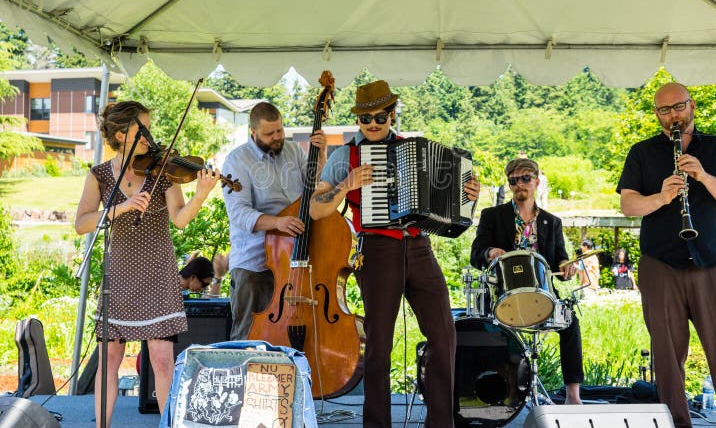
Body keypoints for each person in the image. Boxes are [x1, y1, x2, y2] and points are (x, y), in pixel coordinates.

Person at [309, 80, 480, 428]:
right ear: (358, 120)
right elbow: (315, 209)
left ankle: (440, 424)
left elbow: (449, 204)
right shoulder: (346, 156)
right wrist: (346, 185)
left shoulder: (412, 148)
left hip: (419, 247)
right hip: (376, 250)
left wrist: (468, 194)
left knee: (444, 337)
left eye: (380, 117)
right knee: (378, 348)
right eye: (366, 119)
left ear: (392, 114)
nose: (373, 124)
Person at [617, 82, 716, 428]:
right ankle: (676, 423)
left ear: (692, 105)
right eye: (664, 110)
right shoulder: (642, 152)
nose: (673, 116)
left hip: (714, 263)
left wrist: (705, 177)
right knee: (666, 358)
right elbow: (627, 204)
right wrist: (662, 197)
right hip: (660, 263)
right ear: (656, 114)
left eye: (678, 107)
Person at [74, 101, 220, 426]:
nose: (149, 136)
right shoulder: (98, 176)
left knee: (162, 359)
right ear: (120, 133)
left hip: (158, 273)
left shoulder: (163, 171)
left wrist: (201, 194)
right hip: (120, 276)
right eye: (142, 128)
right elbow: (82, 223)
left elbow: (180, 219)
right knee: (109, 359)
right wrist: (120, 208)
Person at [471, 157, 584, 405]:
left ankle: (573, 395)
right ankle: (503, 393)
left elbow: (559, 261)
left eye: (525, 179)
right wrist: (489, 252)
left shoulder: (551, 222)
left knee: (570, 322)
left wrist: (567, 268)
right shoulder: (493, 216)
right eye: (513, 180)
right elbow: (475, 254)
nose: (519, 184)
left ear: (537, 181)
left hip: (543, 295)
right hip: (504, 295)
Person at [221, 102, 326, 340]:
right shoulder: (237, 160)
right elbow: (238, 212)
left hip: (294, 259)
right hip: (254, 263)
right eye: (270, 134)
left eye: (280, 130)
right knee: (249, 334)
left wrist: (321, 154)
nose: (277, 137)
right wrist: (277, 223)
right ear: (253, 132)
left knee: (289, 335)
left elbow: (315, 189)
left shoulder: (294, 151)